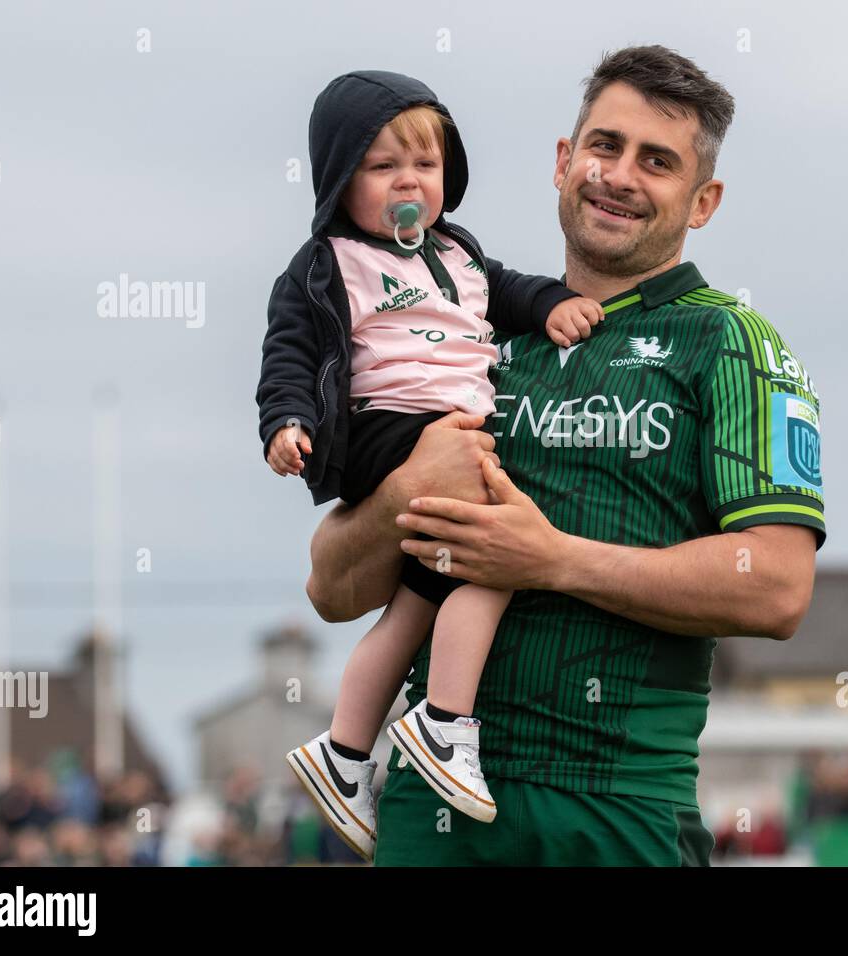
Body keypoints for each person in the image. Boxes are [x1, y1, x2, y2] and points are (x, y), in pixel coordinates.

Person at [306, 45, 826, 866]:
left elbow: (779, 588)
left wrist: (552, 560)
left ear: (704, 201)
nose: (619, 176)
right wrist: (408, 486)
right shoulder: (463, 335)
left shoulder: (731, 341)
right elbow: (333, 586)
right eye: (605, 146)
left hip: (620, 808)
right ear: (563, 161)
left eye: (657, 162)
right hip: (431, 809)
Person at [256, 70, 604, 859]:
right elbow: (290, 352)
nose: (410, 181)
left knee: (415, 603)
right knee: (499, 552)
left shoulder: (458, 252)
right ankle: (446, 724)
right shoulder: (328, 265)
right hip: (387, 428)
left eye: (427, 165)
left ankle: (344, 753)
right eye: (383, 168)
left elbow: (505, 294)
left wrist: (550, 305)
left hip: (452, 426)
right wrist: (286, 421)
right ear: (340, 181)